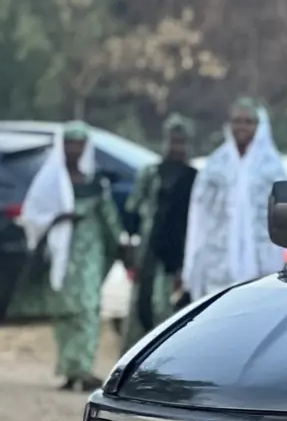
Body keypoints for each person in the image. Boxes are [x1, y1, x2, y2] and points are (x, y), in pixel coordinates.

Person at [12, 121, 125, 391]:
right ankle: (69, 368)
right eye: (70, 143)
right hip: (61, 251)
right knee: (64, 310)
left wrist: (119, 244)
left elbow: (109, 218)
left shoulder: (95, 182)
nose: (74, 149)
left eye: (79, 143)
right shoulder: (51, 179)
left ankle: (84, 367)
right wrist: (59, 217)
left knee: (87, 307)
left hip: (89, 249)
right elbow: (33, 214)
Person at [181, 97, 287, 302]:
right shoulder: (215, 166)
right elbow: (198, 217)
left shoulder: (272, 168)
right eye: (237, 121)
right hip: (217, 267)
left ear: (260, 126)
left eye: (248, 121)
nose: (241, 127)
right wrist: (191, 268)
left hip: (262, 269)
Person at [121, 114, 198, 351]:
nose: (176, 147)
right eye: (173, 141)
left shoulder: (194, 178)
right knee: (140, 308)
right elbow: (132, 210)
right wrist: (131, 241)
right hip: (149, 251)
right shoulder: (151, 173)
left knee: (167, 312)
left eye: (181, 141)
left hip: (179, 254)